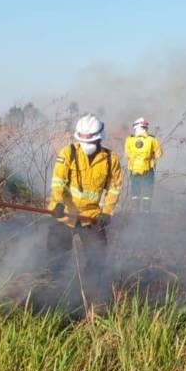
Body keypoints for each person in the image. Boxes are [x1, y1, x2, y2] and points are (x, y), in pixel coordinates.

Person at [48, 113, 123, 268]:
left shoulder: (111, 159)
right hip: (65, 213)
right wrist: (58, 202)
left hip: (91, 217)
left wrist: (107, 212)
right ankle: (54, 281)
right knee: (56, 257)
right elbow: (58, 181)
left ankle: (92, 283)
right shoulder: (68, 153)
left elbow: (114, 188)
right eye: (83, 141)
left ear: (100, 138)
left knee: (97, 258)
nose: (87, 145)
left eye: (91, 141)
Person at [123, 117, 162, 213]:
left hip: (134, 170)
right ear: (146, 127)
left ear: (135, 127)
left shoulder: (129, 139)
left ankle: (134, 211)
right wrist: (151, 157)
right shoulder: (152, 139)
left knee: (135, 190)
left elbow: (127, 155)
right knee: (147, 191)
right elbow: (159, 154)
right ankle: (146, 211)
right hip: (148, 170)